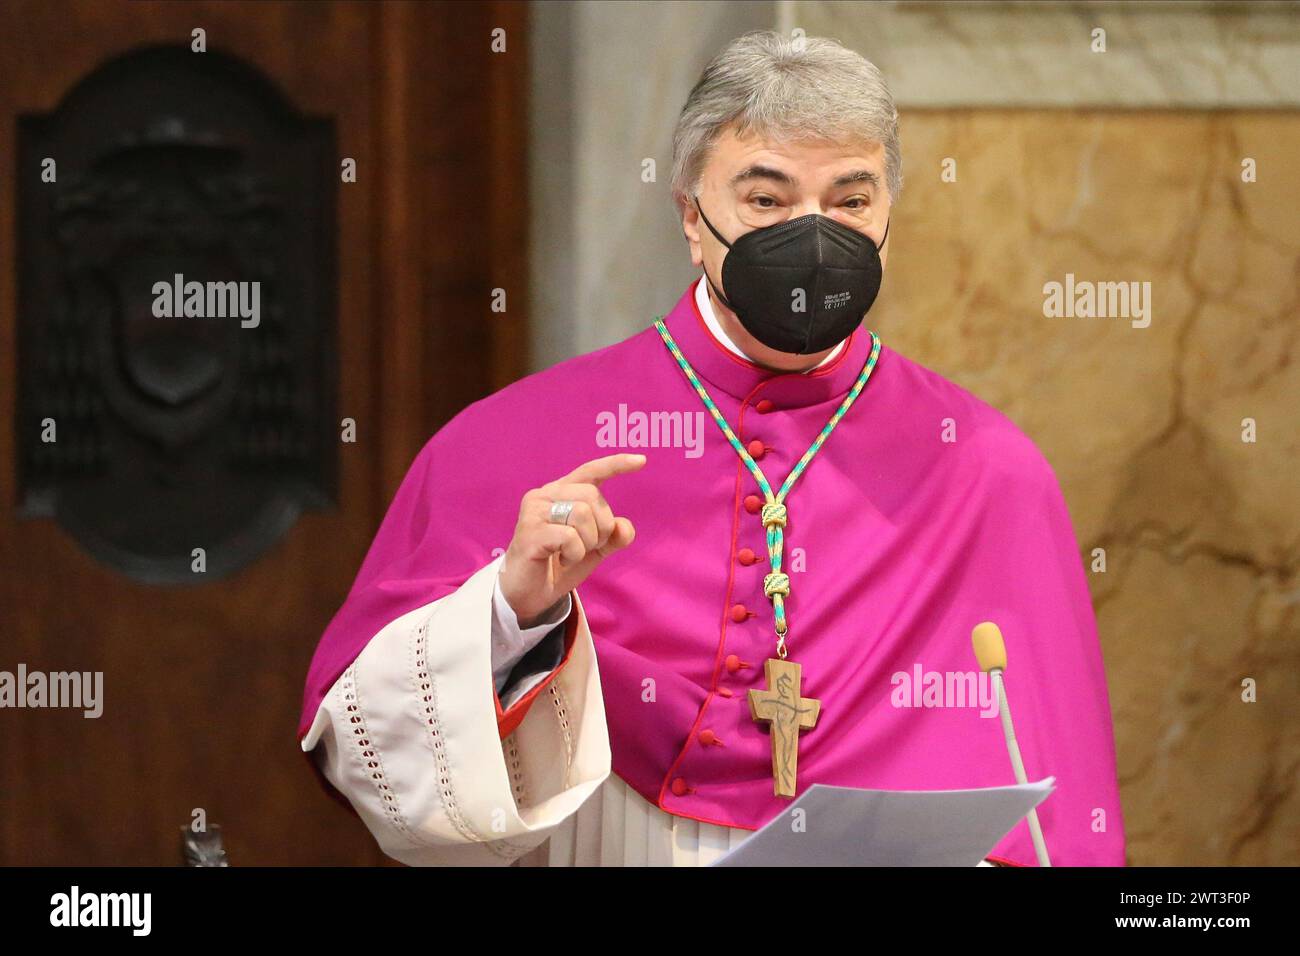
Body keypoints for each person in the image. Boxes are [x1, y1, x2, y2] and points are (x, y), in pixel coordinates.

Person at [298, 30, 1125, 867]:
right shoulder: (510, 444)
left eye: (850, 200)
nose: (814, 237)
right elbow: (371, 756)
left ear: (890, 214)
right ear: (692, 215)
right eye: (766, 201)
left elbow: (1055, 808)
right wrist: (513, 611)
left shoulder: (984, 469)